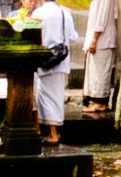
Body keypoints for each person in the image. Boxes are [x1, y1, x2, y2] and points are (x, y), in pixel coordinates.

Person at [32, 0, 78, 144]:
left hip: (46, 60)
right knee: (57, 96)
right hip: (62, 60)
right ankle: (56, 131)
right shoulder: (65, 12)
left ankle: (53, 134)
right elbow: (73, 36)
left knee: (46, 97)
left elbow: (34, 36)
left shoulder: (39, 13)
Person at [82, 0, 117, 112]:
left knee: (100, 73)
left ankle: (101, 103)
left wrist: (94, 39)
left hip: (102, 40)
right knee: (96, 72)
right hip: (98, 40)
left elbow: (101, 18)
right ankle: (97, 102)